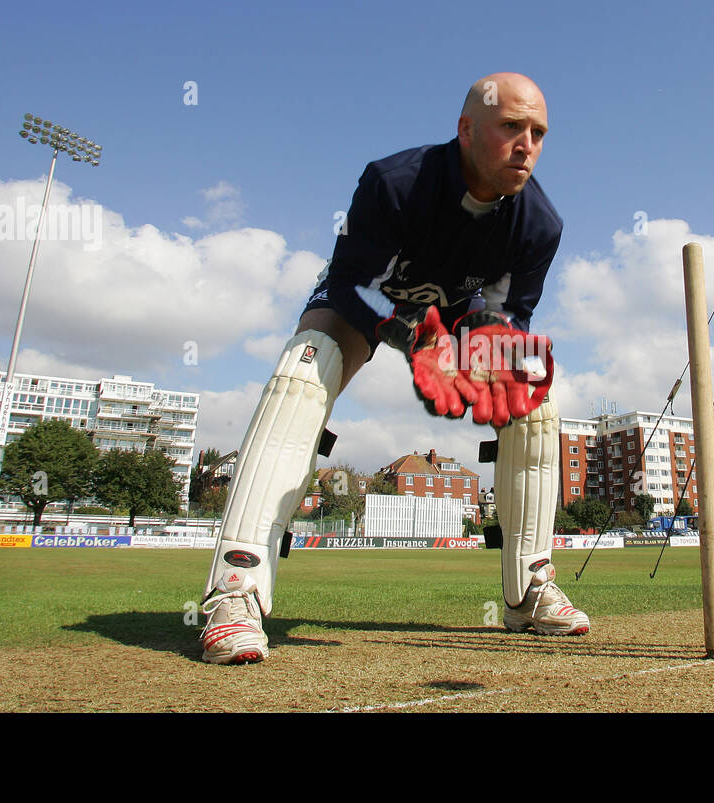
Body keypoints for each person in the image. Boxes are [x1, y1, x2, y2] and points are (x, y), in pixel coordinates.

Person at [199, 72, 589, 665]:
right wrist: (412, 336)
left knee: (534, 399)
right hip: (370, 302)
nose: (526, 143)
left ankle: (530, 587)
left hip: (455, 321)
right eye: (511, 126)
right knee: (306, 367)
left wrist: (481, 354)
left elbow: (506, 313)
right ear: (466, 130)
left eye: (538, 131)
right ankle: (235, 590)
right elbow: (355, 283)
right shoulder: (394, 182)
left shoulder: (540, 224)